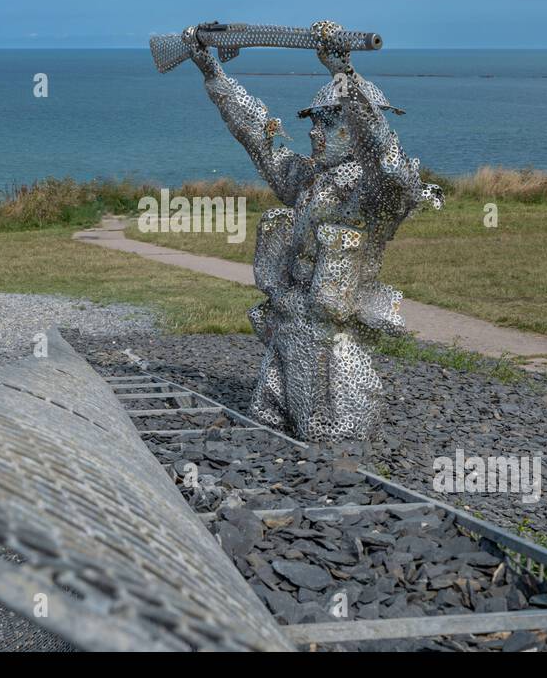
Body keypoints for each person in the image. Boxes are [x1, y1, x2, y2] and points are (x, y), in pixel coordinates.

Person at [187, 22, 442, 441]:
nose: (313, 131)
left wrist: (343, 75)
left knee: (334, 434)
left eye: (327, 121)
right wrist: (212, 71)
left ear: (353, 127)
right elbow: (257, 135)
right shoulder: (309, 180)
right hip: (288, 327)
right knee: (272, 425)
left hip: (331, 338)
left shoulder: (374, 189)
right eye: (314, 120)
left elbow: (389, 159)